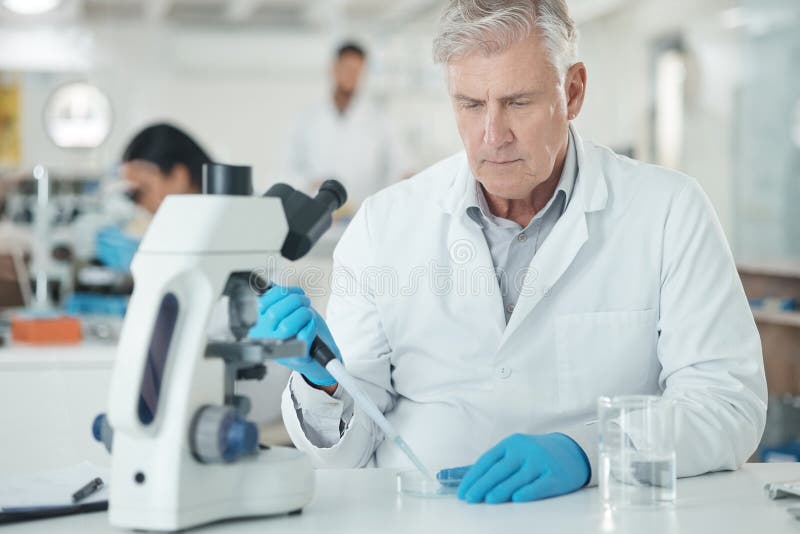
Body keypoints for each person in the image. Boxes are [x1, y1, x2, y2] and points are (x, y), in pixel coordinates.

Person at [250, 0, 767, 505]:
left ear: (574, 90)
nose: (492, 135)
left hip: (599, 514)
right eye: (470, 105)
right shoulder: (385, 224)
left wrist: (590, 452)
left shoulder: (668, 210)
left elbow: (726, 404)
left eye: (518, 102)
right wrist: (323, 384)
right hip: (422, 518)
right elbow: (349, 451)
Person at [285, 41, 410, 213]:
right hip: (316, 212)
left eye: (357, 71)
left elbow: (399, 165)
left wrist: (408, 178)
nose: (352, 76)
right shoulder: (307, 119)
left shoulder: (379, 120)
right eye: (347, 69)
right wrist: (309, 183)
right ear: (334, 69)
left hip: (362, 213)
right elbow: (289, 167)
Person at [95, 123, 212, 270]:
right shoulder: (182, 232)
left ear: (178, 177)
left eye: (143, 189)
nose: (138, 203)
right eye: (132, 196)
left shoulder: (224, 231)